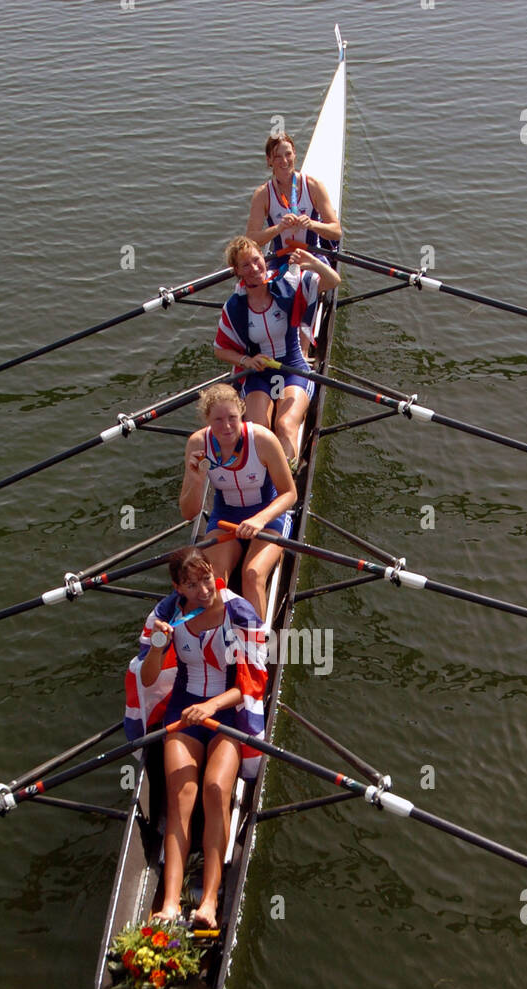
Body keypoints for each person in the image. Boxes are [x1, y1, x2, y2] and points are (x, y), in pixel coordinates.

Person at [130, 548, 267, 931]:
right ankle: (171, 902)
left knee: (214, 789)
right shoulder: (167, 616)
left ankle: (209, 901)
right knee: (181, 798)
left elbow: (253, 683)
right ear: (178, 588)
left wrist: (211, 707)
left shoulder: (239, 614)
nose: (203, 589)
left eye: (207, 578)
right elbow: (147, 678)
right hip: (182, 713)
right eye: (191, 584)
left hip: (226, 710)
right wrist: (158, 645)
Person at [214, 235, 340, 467]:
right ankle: (265, 479)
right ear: (237, 271)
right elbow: (220, 350)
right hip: (258, 374)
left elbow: (333, 281)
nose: (254, 268)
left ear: (264, 258)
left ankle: (285, 479)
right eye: (245, 265)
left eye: (256, 260)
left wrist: (313, 262)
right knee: (259, 430)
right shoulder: (234, 307)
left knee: (284, 425)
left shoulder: (288, 283)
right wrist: (246, 360)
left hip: (293, 368)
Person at [180, 383, 296, 620]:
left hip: (268, 517)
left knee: (252, 575)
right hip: (225, 519)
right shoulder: (198, 445)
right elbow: (189, 513)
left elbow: (290, 494)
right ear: (207, 420)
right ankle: (215, 640)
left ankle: (257, 650)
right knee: (211, 581)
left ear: (241, 412)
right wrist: (196, 479)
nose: (227, 426)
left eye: (232, 417)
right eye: (218, 420)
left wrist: (259, 520)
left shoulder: (262, 439)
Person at [245, 132, 342, 260]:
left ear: (294, 154)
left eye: (288, 154)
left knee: (326, 279)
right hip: (281, 258)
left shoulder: (314, 186)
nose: (284, 161)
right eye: (277, 156)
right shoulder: (262, 195)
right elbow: (251, 240)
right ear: (269, 160)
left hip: (312, 255)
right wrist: (278, 228)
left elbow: (336, 232)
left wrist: (311, 224)